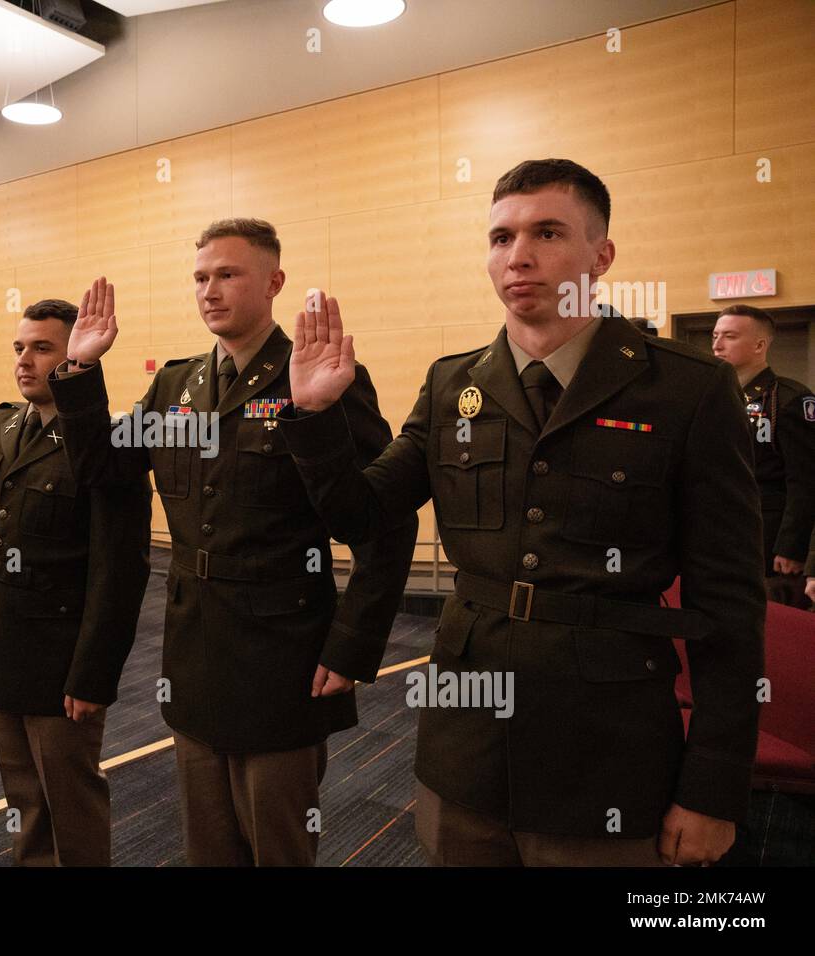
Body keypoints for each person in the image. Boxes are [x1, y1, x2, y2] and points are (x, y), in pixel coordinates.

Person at [279, 159, 765, 866]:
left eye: (546, 232)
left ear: (601, 256)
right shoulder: (453, 384)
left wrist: (714, 789)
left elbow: (730, 601)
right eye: (501, 237)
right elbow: (363, 514)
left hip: (607, 750)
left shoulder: (686, 389)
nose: (519, 256)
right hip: (466, 742)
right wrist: (316, 416)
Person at [50, 220, 416, 866]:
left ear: (274, 282)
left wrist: (354, 643)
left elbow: (385, 520)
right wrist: (80, 370)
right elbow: (103, 469)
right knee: (209, 848)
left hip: (285, 660)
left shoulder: (323, 379)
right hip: (195, 660)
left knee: (278, 844)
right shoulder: (175, 387)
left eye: (227, 275)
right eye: (199, 277)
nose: (209, 290)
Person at [0, 299, 152, 866]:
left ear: (75, 356)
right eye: (20, 347)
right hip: (1, 646)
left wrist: (94, 673)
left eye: (42, 348)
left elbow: (119, 574)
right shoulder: (1, 424)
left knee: (70, 801)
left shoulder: (106, 446)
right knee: (23, 797)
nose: (24, 360)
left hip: (61, 660)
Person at [712, 304, 815, 609]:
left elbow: (805, 480)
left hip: (767, 542)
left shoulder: (789, 398)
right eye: (715, 335)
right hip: (718, 537)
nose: (717, 344)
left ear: (759, 345)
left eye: (729, 336)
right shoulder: (712, 396)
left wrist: (792, 546)